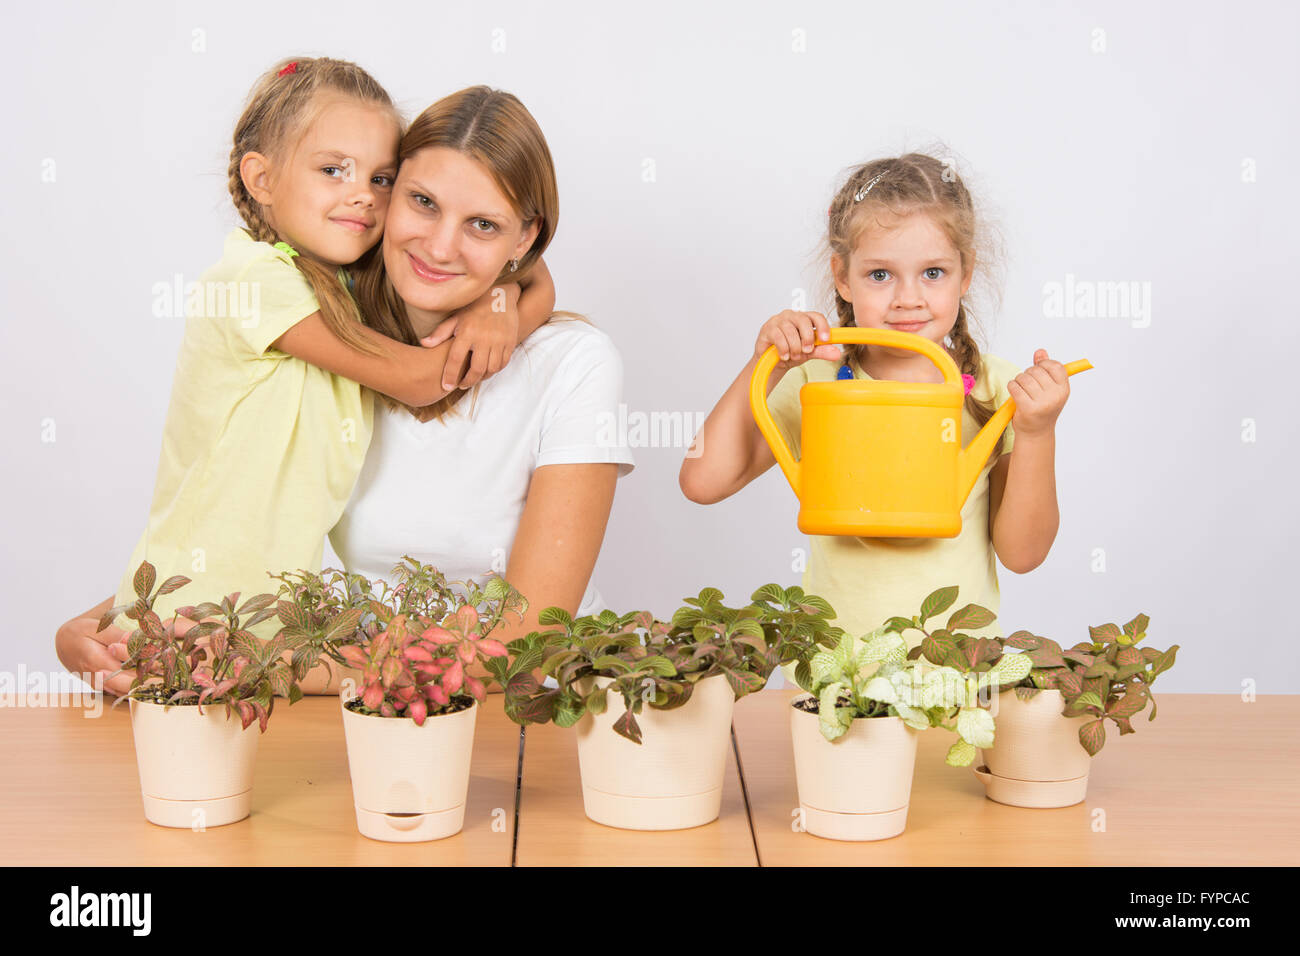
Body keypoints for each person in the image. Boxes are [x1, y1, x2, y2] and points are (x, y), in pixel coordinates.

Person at [55, 59, 555, 694]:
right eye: (332, 170)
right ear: (262, 178)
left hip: (260, 633)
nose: (362, 195)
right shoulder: (252, 281)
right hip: (193, 629)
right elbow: (423, 379)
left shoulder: (339, 290)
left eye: (380, 178)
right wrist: (506, 311)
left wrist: (503, 298)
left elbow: (531, 267)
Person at [679, 152, 1073, 674]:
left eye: (933, 272)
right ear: (842, 277)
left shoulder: (997, 388)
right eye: (880, 274)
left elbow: (1023, 554)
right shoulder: (817, 381)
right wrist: (765, 364)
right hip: (833, 676)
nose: (908, 298)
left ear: (966, 273)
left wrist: (1037, 432)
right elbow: (703, 481)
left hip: (956, 675)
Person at [320, 86, 635, 692]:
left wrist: (282, 666)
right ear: (387, 193)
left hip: (529, 707)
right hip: (370, 708)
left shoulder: (574, 363)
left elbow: (527, 646)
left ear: (524, 240)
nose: (441, 247)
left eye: (483, 225)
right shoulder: (328, 340)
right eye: (423, 202)